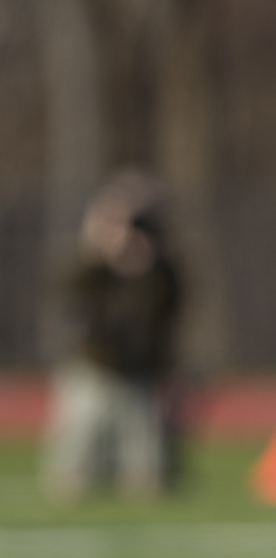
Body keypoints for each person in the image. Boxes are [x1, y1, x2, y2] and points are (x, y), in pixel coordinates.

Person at [44, 169, 182, 500]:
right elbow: (65, 293)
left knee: (146, 474)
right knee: (74, 468)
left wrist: (141, 269)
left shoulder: (160, 273)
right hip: (95, 369)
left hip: (141, 374)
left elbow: (164, 310)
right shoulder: (90, 270)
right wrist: (98, 251)